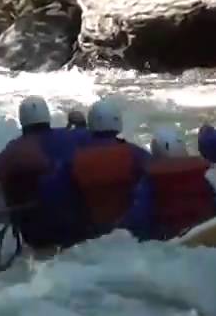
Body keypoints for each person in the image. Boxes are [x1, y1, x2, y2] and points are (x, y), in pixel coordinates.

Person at [37, 98, 150, 248]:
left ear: (92, 123)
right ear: (118, 122)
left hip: (86, 237)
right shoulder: (136, 154)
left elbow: (49, 194)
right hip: (129, 236)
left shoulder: (73, 158)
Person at [0, 96, 80, 247]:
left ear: (22, 120)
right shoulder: (71, 137)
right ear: (47, 116)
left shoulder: (13, 150)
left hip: (36, 232)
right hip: (78, 223)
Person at [123, 127, 216, 241]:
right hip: (198, 233)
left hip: (164, 239)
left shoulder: (150, 181)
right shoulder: (201, 177)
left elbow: (139, 217)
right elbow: (212, 200)